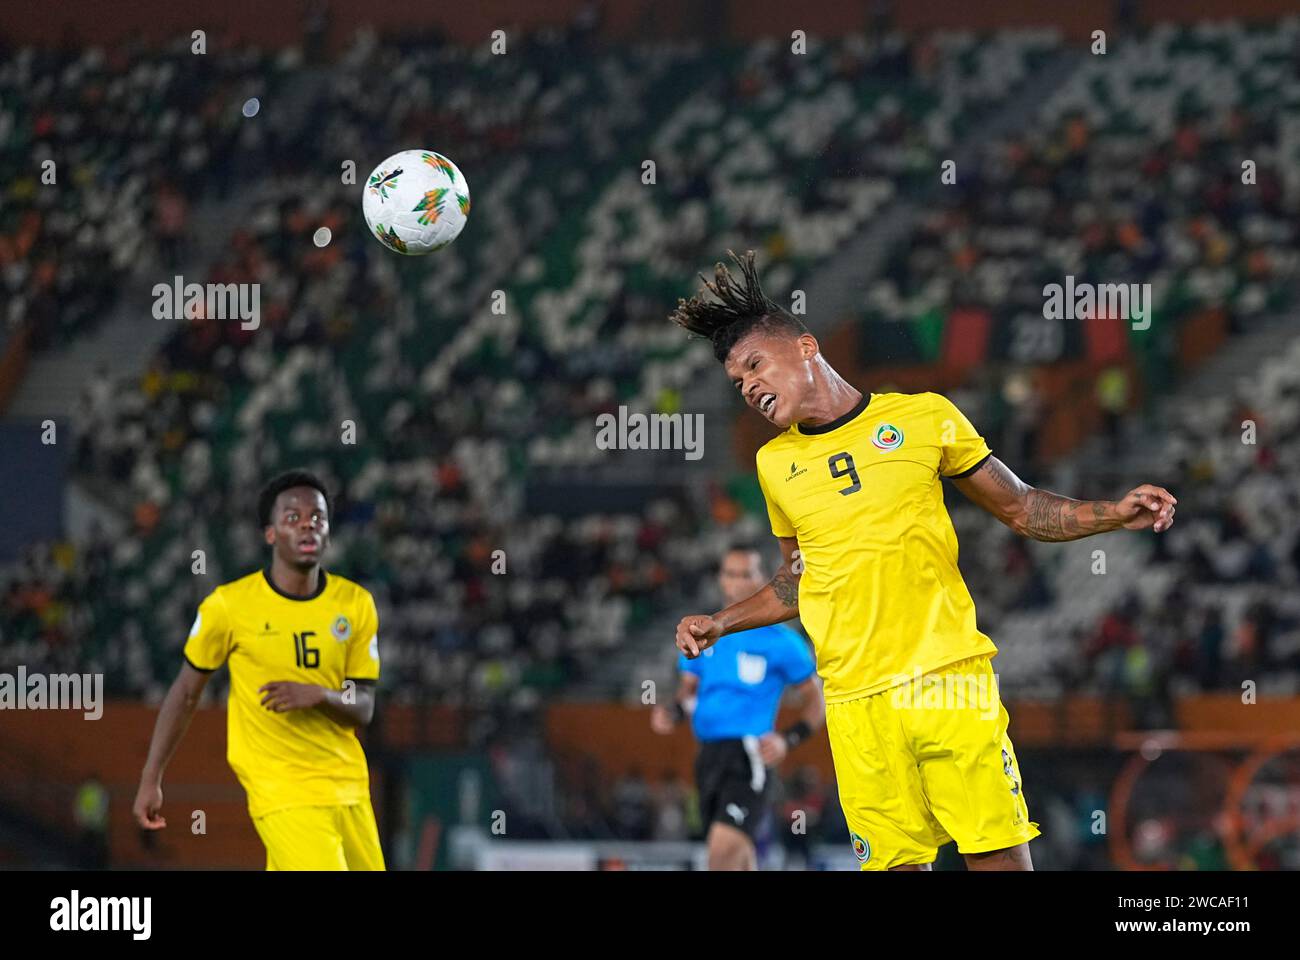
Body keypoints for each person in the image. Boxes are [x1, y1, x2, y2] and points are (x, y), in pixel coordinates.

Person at [669, 251, 1177, 871]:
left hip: (948, 678)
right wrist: (718, 623)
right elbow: (798, 579)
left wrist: (1111, 514)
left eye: (754, 364)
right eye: (736, 381)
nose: (747, 385)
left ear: (806, 346)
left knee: (999, 860)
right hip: (855, 704)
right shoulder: (774, 465)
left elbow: (1020, 509)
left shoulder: (923, 417)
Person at [132, 470, 385, 870]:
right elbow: (185, 692)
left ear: (329, 534)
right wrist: (152, 775)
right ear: (270, 534)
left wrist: (320, 695)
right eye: (292, 517)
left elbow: (364, 704)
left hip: (350, 788)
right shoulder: (229, 607)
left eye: (317, 518)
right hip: (282, 789)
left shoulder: (355, 605)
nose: (307, 524)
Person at [652, 545, 825, 870]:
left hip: (748, 757)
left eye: (746, 574)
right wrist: (671, 712)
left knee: (720, 854)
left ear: (763, 579)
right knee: (737, 857)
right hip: (707, 756)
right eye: (731, 573)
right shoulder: (703, 635)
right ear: (721, 579)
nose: (738, 582)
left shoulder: (784, 642)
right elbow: (688, 695)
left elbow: (817, 700)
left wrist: (786, 740)